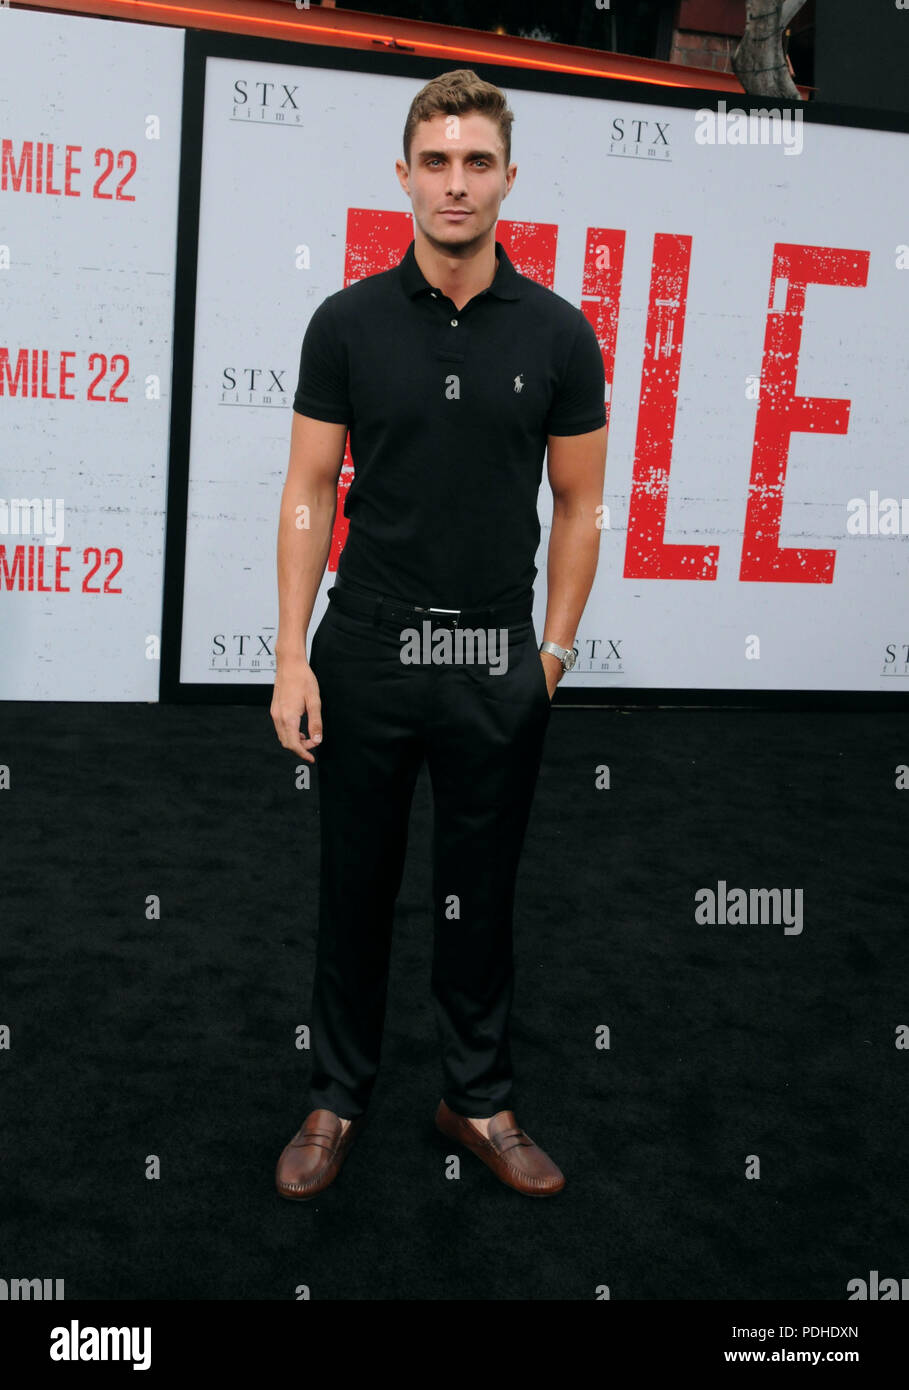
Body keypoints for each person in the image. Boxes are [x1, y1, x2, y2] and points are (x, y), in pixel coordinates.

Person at [270, 67, 607, 1199]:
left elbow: (581, 506)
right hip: (365, 643)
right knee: (353, 884)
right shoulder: (347, 322)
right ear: (404, 176)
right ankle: (335, 1095)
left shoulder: (561, 333)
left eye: (475, 162)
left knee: (483, 885)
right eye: (435, 161)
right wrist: (288, 655)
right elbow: (310, 490)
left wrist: (550, 657)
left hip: (488, 654)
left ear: (509, 178)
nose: (454, 183)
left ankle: (478, 1095)